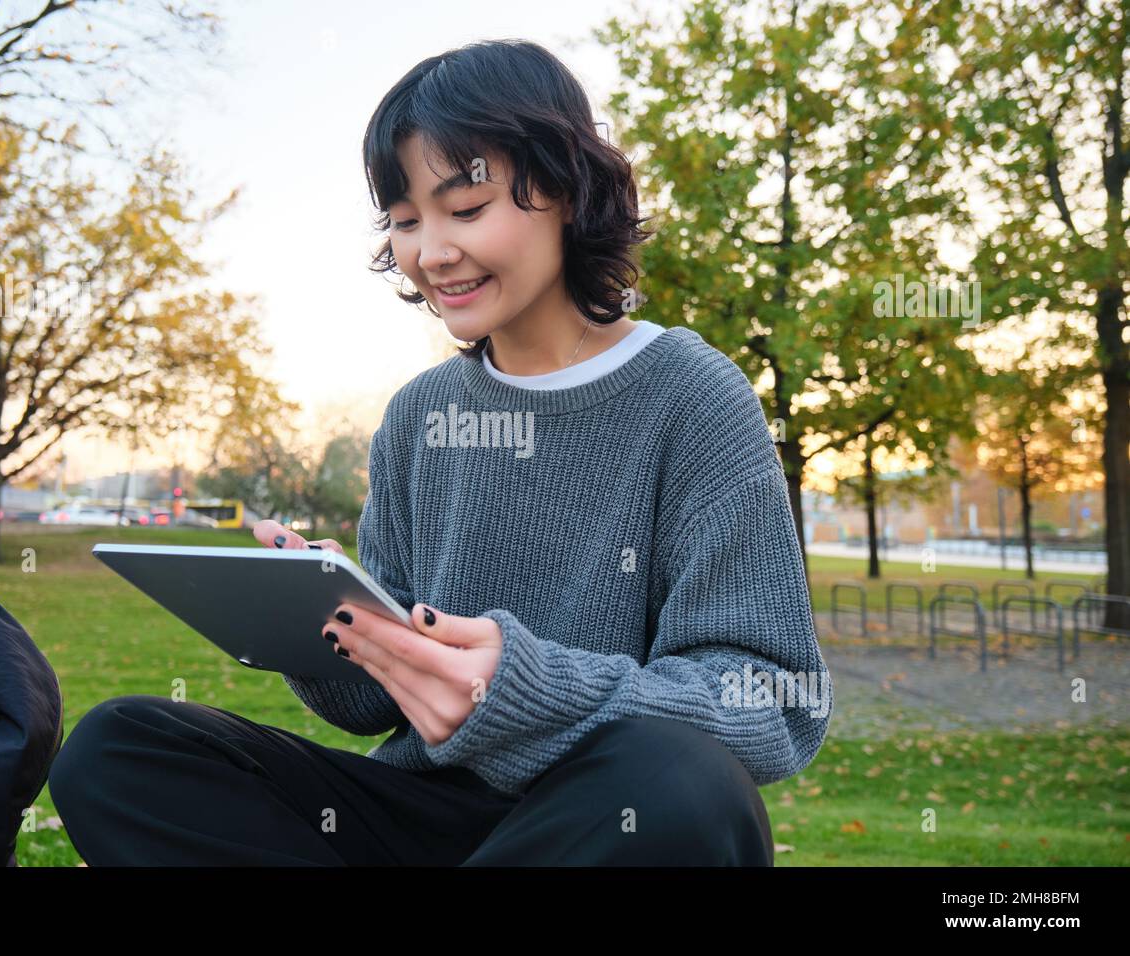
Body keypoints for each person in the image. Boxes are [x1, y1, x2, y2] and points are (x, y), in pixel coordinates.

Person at [49, 38, 832, 866]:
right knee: (120, 748)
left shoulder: (694, 397)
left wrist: (521, 687)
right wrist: (330, 622)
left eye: (465, 209)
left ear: (569, 191)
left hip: (600, 817)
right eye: (406, 218)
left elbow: (773, 701)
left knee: (684, 782)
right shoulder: (418, 416)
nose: (431, 252)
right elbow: (366, 708)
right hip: (418, 810)